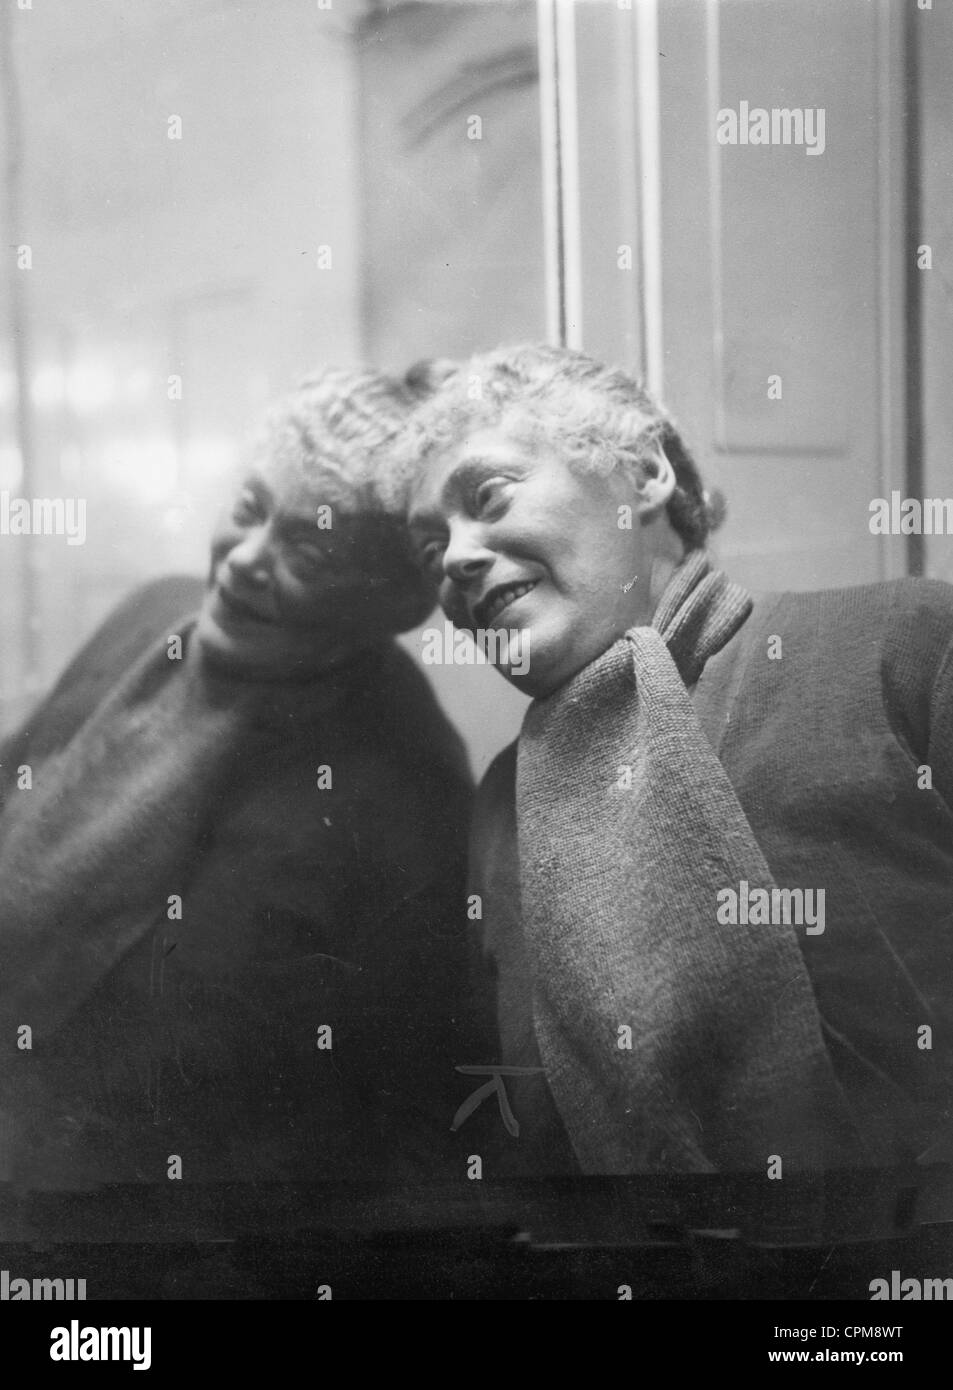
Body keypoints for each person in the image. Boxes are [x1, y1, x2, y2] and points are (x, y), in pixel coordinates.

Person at [400, 342, 953, 1178]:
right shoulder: (497, 808)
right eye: (428, 546)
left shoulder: (904, 646)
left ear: (646, 473)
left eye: (488, 496)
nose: (454, 558)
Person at [0, 366, 474, 1190]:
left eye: (310, 550)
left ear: (389, 601)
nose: (244, 560)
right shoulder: (156, 615)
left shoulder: (406, 776)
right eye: (250, 511)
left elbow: (409, 1104)